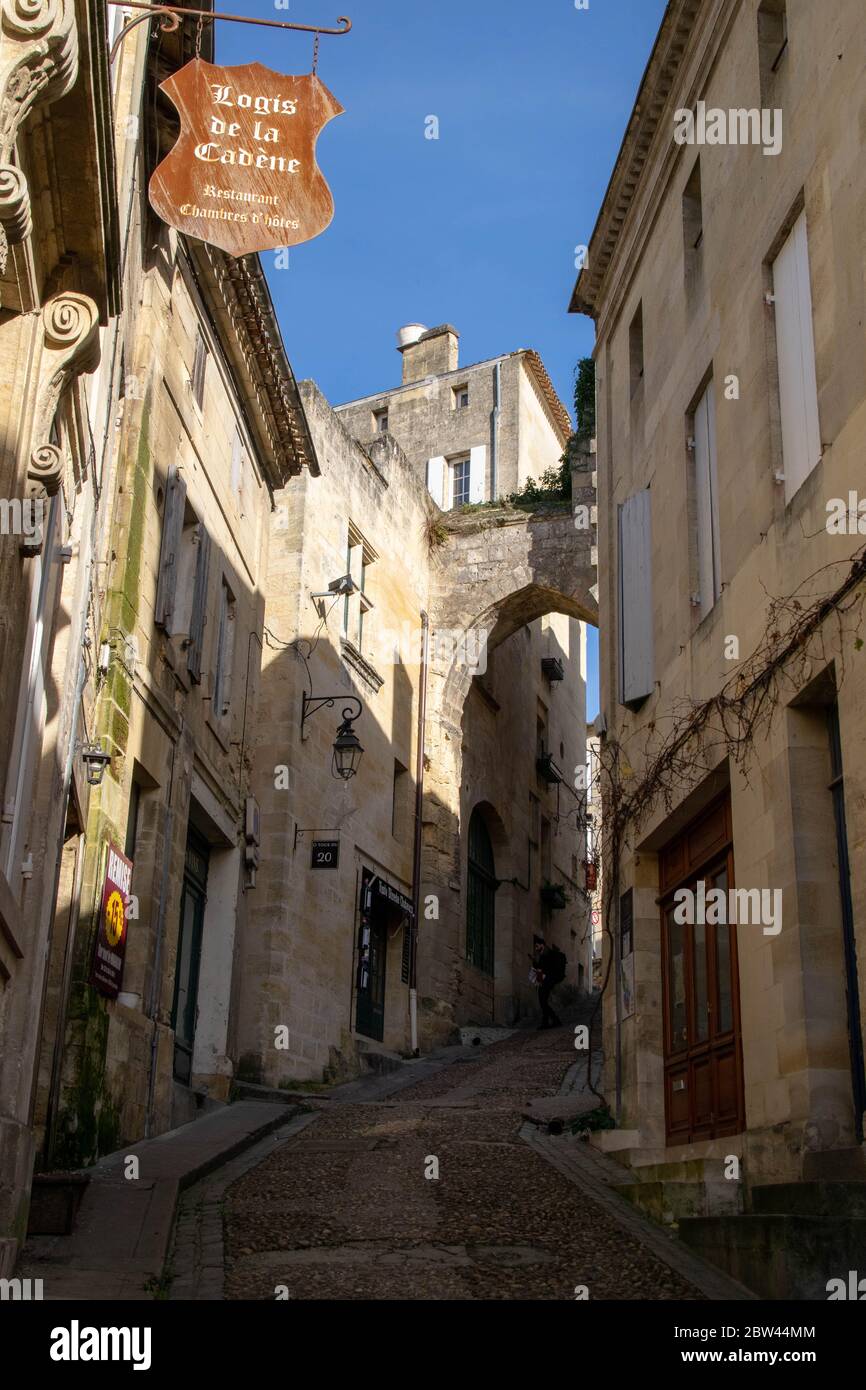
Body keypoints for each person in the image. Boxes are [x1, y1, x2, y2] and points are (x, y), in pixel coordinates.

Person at [533, 934, 566, 1029]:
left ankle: (554, 1020)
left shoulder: (547, 954)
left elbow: (546, 968)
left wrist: (540, 973)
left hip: (548, 980)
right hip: (546, 980)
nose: (536, 948)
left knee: (543, 1001)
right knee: (543, 1001)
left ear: (542, 945)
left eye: (537, 946)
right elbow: (541, 967)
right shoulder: (544, 954)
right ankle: (547, 1022)